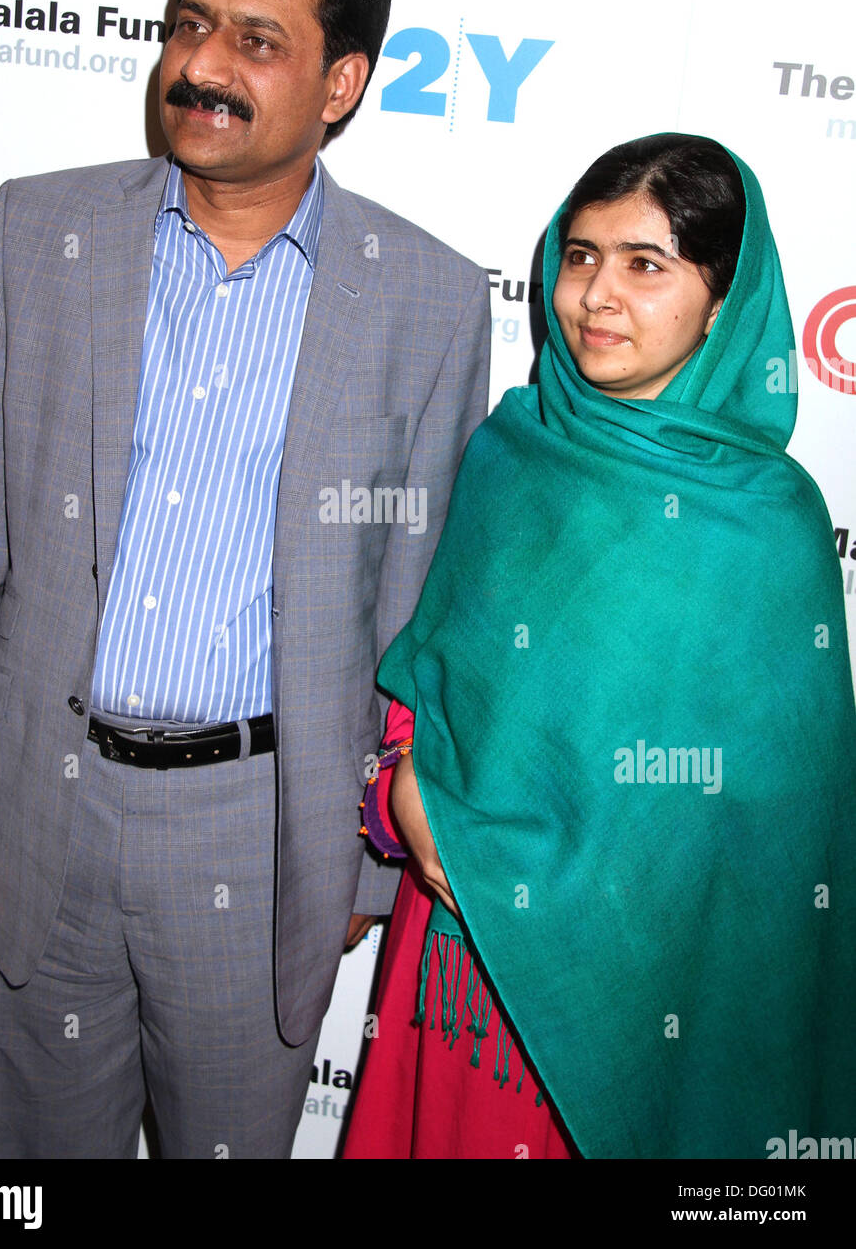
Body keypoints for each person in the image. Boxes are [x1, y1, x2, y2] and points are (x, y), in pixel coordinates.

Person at [0, 0, 491, 1158]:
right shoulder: (39, 234)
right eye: (189, 27)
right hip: (31, 811)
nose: (201, 67)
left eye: (254, 42)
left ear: (340, 82)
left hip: (266, 834)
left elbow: (411, 607)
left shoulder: (428, 300)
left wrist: (368, 855)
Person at [344, 133, 856, 1159]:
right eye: (578, 256)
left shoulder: (765, 523)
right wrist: (401, 786)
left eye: (644, 263)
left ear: (722, 299)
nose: (595, 295)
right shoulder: (509, 450)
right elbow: (427, 688)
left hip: (634, 992)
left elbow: (775, 829)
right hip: (459, 967)